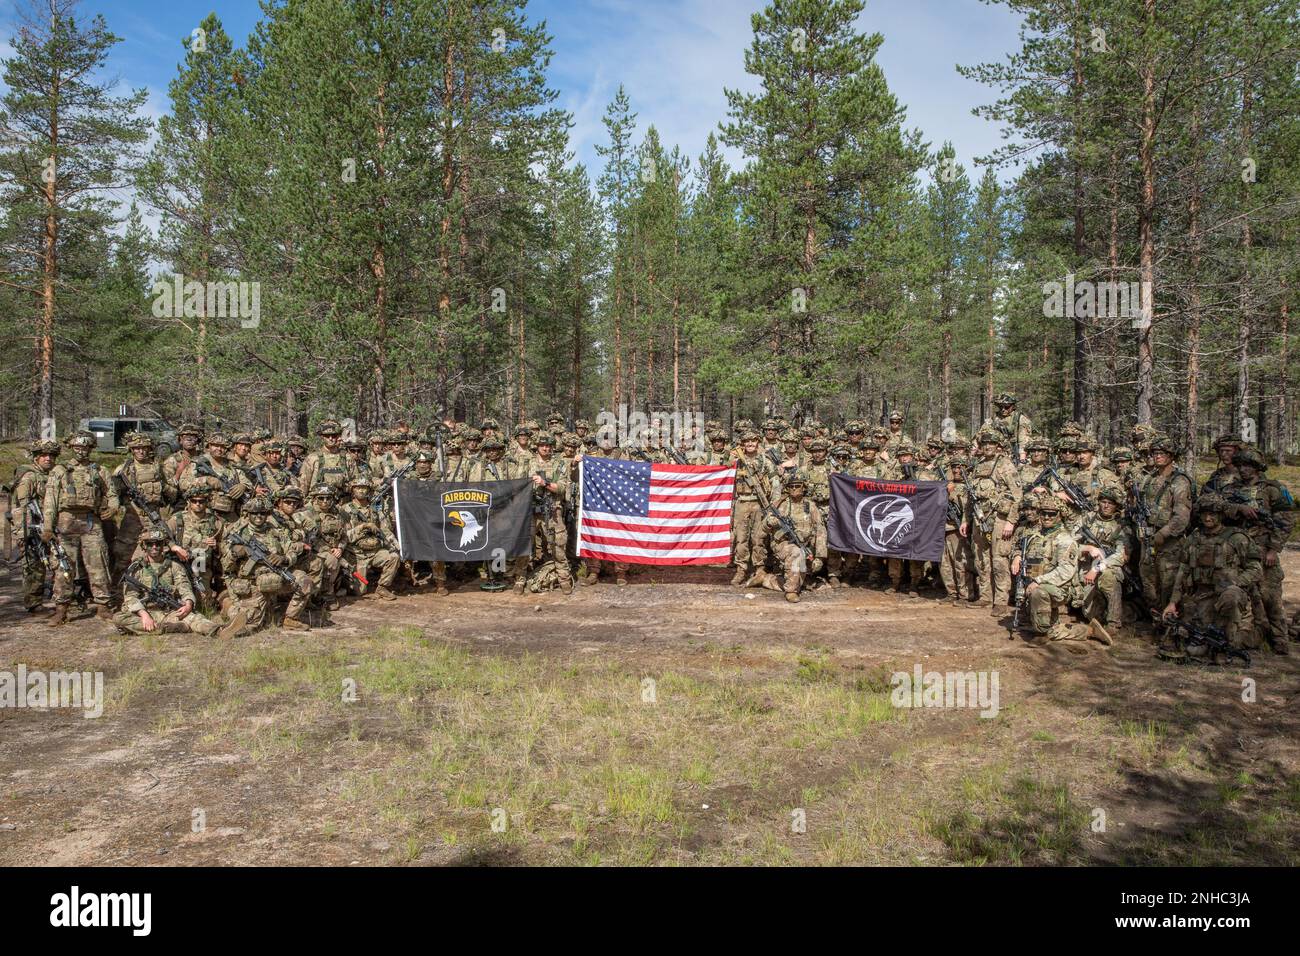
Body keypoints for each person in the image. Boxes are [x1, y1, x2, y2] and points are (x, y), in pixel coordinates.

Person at [1162, 495, 1261, 655]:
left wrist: (1235, 583)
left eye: (1212, 514)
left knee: (1229, 636)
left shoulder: (1237, 538)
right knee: (1181, 640)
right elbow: (1183, 571)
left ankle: (1243, 637)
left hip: (1229, 595)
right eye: (1204, 514)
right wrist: (1173, 602)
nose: (1207, 518)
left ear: (1221, 515)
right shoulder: (1194, 538)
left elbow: (1255, 569)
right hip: (1201, 596)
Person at [1223, 448, 1294, 654]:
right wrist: (1238, 509)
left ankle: (1280, 639)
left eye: (1248, 466)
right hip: (1238, 549)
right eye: (1241, 465)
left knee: (1270, 595)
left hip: (1263, 549)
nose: (1244, 470)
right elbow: (1217, 508)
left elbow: (1286, 521)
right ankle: (1249, 636)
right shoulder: (1231, 489)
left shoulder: (1273, 488)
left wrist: (1273, 549)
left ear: (1257, 467)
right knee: (1242, 592)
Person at [43, 433, 117, 624]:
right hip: (66, 521)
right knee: (63, 566)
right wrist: (47, 527)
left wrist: (113, 508)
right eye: (77, 447)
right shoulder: (59, 470)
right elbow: (50, 500)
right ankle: (61, 609)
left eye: (85, 448)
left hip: (91, 521)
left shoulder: (100, 470)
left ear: (91, 449)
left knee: (98, 564)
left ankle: (103, 605)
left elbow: (112, 494)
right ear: (71, 448)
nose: (81, 451)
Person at [113, 529, 243, 637]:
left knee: (194, 618)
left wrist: (188, 603)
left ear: (163, 545)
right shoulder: (136, 568)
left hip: (169, 611)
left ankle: (220, 631)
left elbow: (184, 586)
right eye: (150, 544)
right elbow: (130, 597)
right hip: (145, 612)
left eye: (158, 544)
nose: (154, 547)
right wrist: (144, 615)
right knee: (119, 618)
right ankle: (169, 628)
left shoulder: (174, 566)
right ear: (144, 546)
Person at [221, 497, 315, 631]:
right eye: (255, 513)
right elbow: (226, 565)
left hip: (276, 575)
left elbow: (292, 549)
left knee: (304, 582)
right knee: (252, 624)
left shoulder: (275, 531)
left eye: (263, 513)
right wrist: (236, 553)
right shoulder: (238, 531)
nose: (259, 516)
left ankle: (290, 619)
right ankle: (228, 605)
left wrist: (284, 558)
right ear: (248, 514)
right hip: (253, 582)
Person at [110, 431, 178, 581]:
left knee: (158, 553)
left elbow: (172, 494)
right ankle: (117, 588)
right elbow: (113, 493)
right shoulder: (123, 470)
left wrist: (162, 486)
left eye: (144, 448)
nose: (141, 451)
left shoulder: (159, 468)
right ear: (131, 450)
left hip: (154, 517)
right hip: (132, 517)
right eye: (137, 448)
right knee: (123, 554)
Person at [1074, 486, 1131, 641]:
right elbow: (1070, 542)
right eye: (1103, 502)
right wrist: (1087, 548)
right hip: (1085, 566)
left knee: (1108, 576)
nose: (1106, 506)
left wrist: (1097, 568)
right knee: (1088, 615)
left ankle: (1113, 623)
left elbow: (1122, 555)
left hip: (1104, 568)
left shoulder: (1121, 527)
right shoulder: (1087, 519)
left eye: (1110, 503)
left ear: (1116, 507)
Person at [10, 439, 61, 612]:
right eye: (44, 456)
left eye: (51, 456)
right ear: (36, 457)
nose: (48, 459)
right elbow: (21, 507)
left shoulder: (55, 475)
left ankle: (60, 596)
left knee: (58, 561)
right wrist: (24, 533)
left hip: (52, 525)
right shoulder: (29, 476)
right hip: (33, 527)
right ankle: (33, 602)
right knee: (34, 564)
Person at [759, 473, 825, 603]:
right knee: (796, 554)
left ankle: (766, 579)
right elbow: (763, 528)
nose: (794, 489)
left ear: (803, 487)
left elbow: (821, 530)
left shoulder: (810, 506)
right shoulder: (781, 504)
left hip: (805, 546)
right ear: (787, 489)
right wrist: (769, 522)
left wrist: (819, 557)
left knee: (801, 578)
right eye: (791, 486)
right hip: (783, 545)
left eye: (797, 486)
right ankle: (791, 591)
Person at [340, 477, 400, 600]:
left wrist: (397, 546)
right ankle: (342, 583)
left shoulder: (375, 509)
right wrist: (363, 527)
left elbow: (385, 530)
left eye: (364, 488)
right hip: (356, 554)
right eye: (358, 487)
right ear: (352, 490)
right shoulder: (344, 510)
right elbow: (344, 536)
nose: (361, 491)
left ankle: (382, 587)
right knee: (360, 591)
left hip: (375, 551)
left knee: (393, 557)